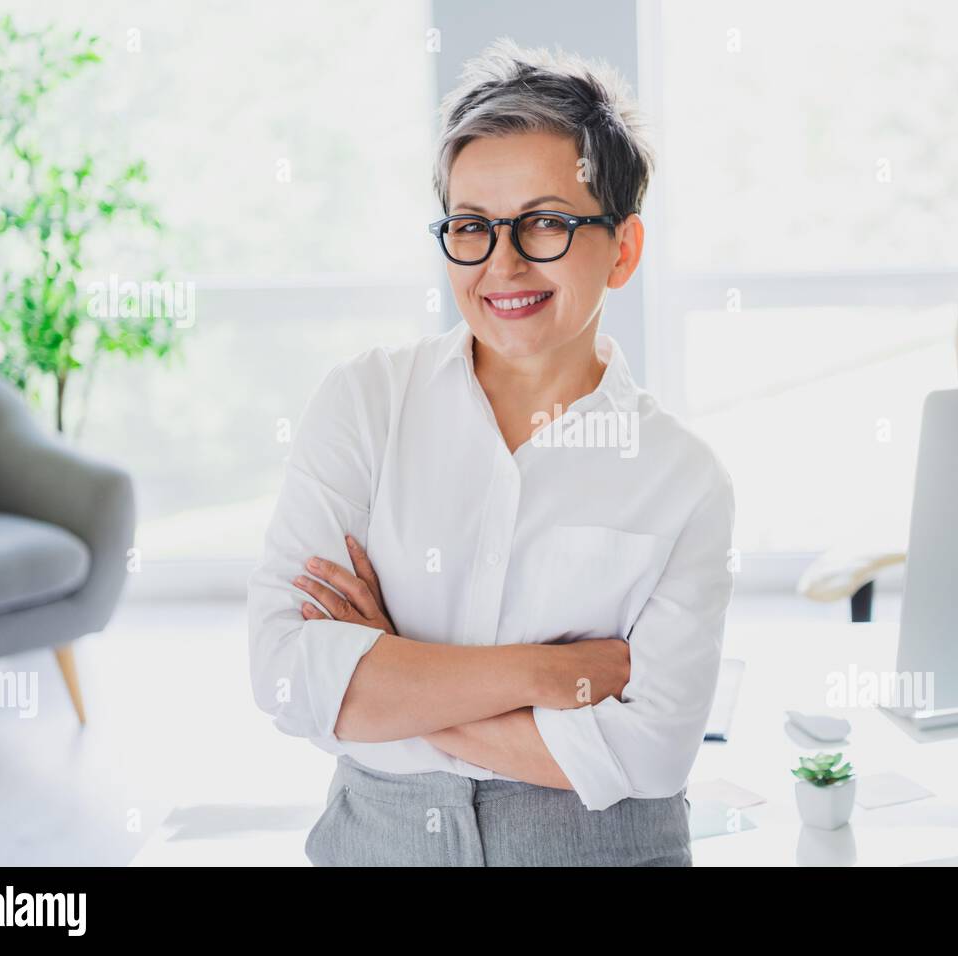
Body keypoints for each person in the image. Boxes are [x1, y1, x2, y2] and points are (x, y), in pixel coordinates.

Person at [247, 37, 734, 866]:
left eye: (544, 222)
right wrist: (549, 676)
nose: (502, 263)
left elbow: (650, 755)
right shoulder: (365, 404)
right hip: (381, 839)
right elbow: (290, 678)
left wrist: (393, 668)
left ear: (623, 249)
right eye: (472, 226)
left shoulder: (683, 480)